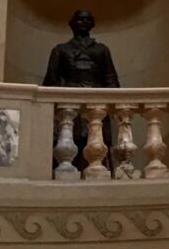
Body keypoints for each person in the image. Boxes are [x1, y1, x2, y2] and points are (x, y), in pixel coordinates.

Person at [42, 9, 120, 172]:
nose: (84, 22)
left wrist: (113, 102)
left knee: (97, 143)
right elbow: (51, 81)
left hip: (97, 102)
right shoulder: (61, 50)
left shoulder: (102, 50)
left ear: (92, 24)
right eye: (80, 19)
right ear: (72, 24)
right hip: (70, 102)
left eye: (87, 19)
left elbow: (111, 78)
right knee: (71, 140)